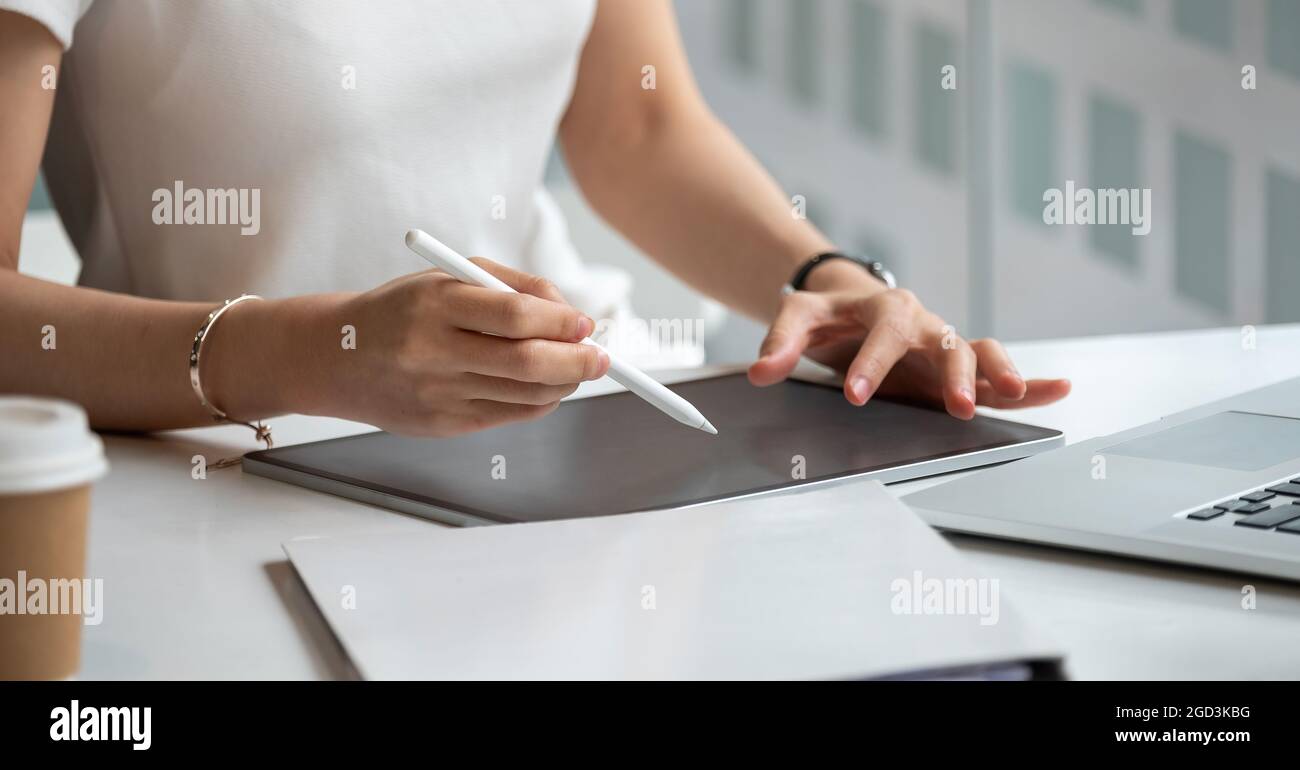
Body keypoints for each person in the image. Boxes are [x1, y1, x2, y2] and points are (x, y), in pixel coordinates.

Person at [0, 0, 1069, 441]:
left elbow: (638, 124)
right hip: (229, 467)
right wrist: (305, 351)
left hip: (581, 433)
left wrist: (826, 280)